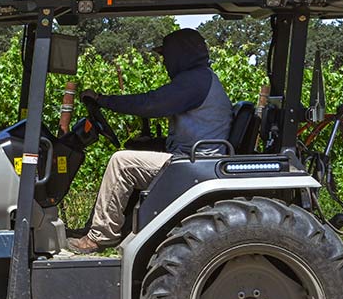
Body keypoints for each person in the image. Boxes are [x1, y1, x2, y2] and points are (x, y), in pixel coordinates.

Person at [67, 28, 232, 255]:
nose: (165, 62)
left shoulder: (195, 80)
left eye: (167, 56)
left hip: (194, 163)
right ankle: (120, 228)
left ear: (181, 54)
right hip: (194, 158)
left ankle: (100, 236)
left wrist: (104, 101)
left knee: (121, 162)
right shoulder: (201, 78)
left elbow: (152, 104)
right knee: (136, 148)